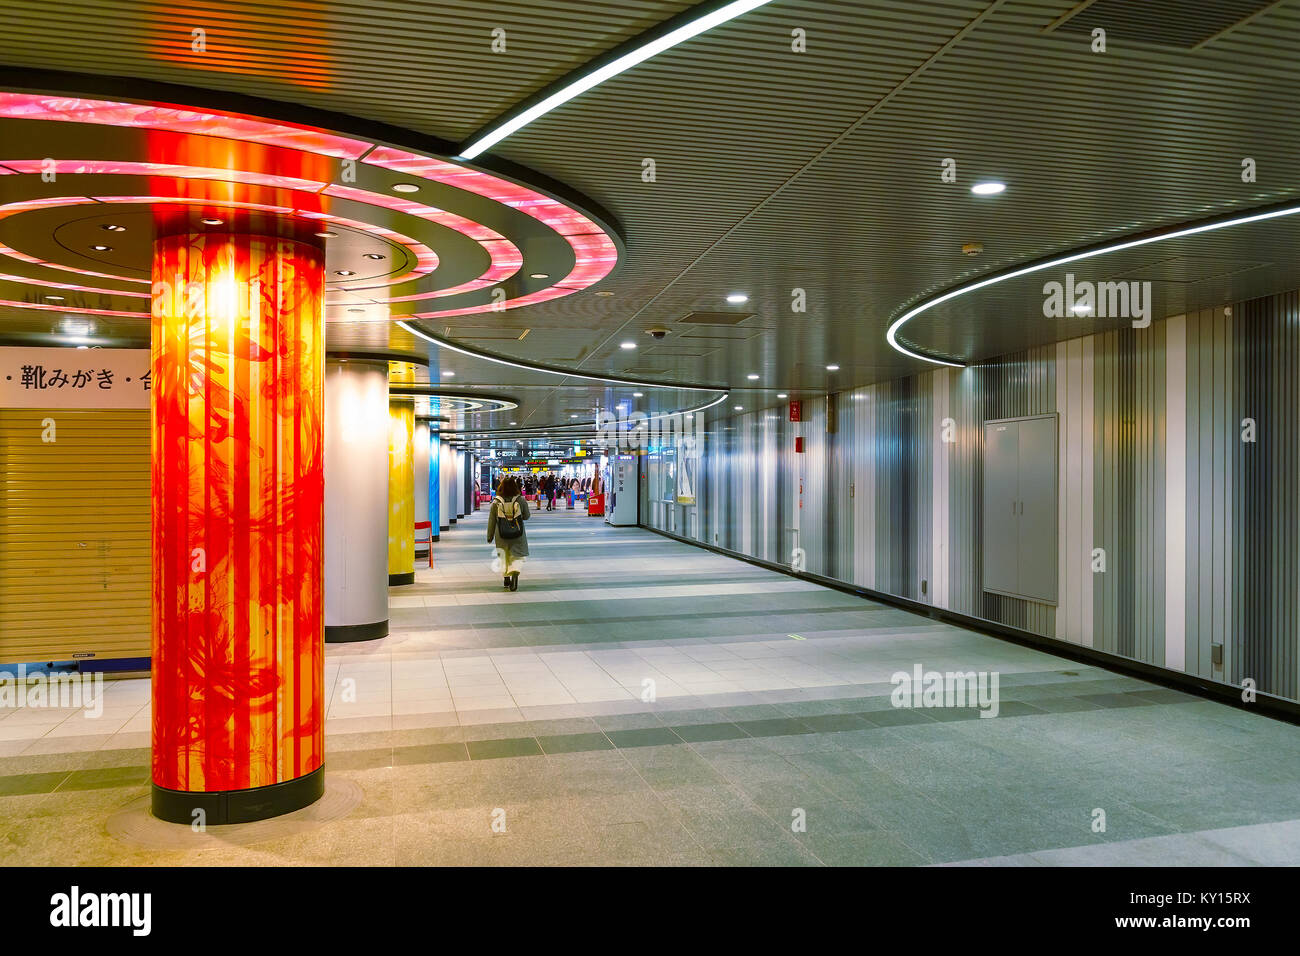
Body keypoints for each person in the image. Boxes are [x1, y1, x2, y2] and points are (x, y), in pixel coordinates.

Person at [487, 475, 530, 591]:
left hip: (501, 534)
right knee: (516, 556)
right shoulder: (520, 500)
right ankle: (514, 576)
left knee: (504, 556)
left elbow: (492, 520)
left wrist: (489, 536)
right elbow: (527, 516)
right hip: (517, 533)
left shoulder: (496, 502)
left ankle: (506, 577)